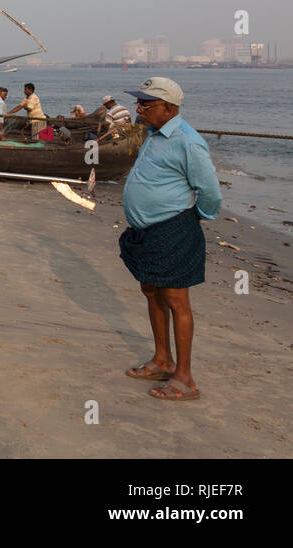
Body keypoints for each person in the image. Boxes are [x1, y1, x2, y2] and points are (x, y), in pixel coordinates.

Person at [118, 77, 221, 402]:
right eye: (139, 103)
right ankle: (163, 360)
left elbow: (210, 193)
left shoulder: (188, 142)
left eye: (146, 105)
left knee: (177, 301)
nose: (139, 110)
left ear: (169, 108)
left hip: (173, 230)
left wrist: (192, 219)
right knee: (151, 290)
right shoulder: (152, 134)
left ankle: (185, 379)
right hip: (147, 231)